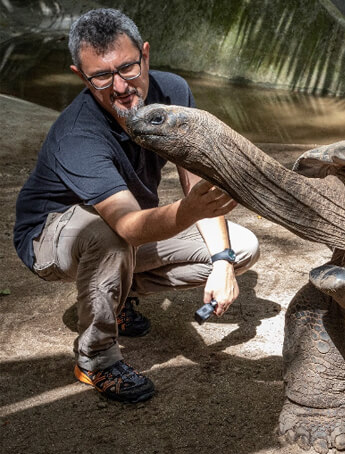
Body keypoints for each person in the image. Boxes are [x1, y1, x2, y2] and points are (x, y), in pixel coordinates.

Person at [13, 9, 260, 403]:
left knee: (241, 246)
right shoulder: (78, 133)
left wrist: (223, 261)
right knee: (107, 237)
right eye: (101, 77)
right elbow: (127, 226)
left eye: (128, 67)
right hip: (51, 236)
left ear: (145, 54)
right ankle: (96, 359)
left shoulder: (173, 93)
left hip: (118, 229)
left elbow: (194, 180)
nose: (120, 86)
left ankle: (118, 294)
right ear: (81, 75)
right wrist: (190, 211)